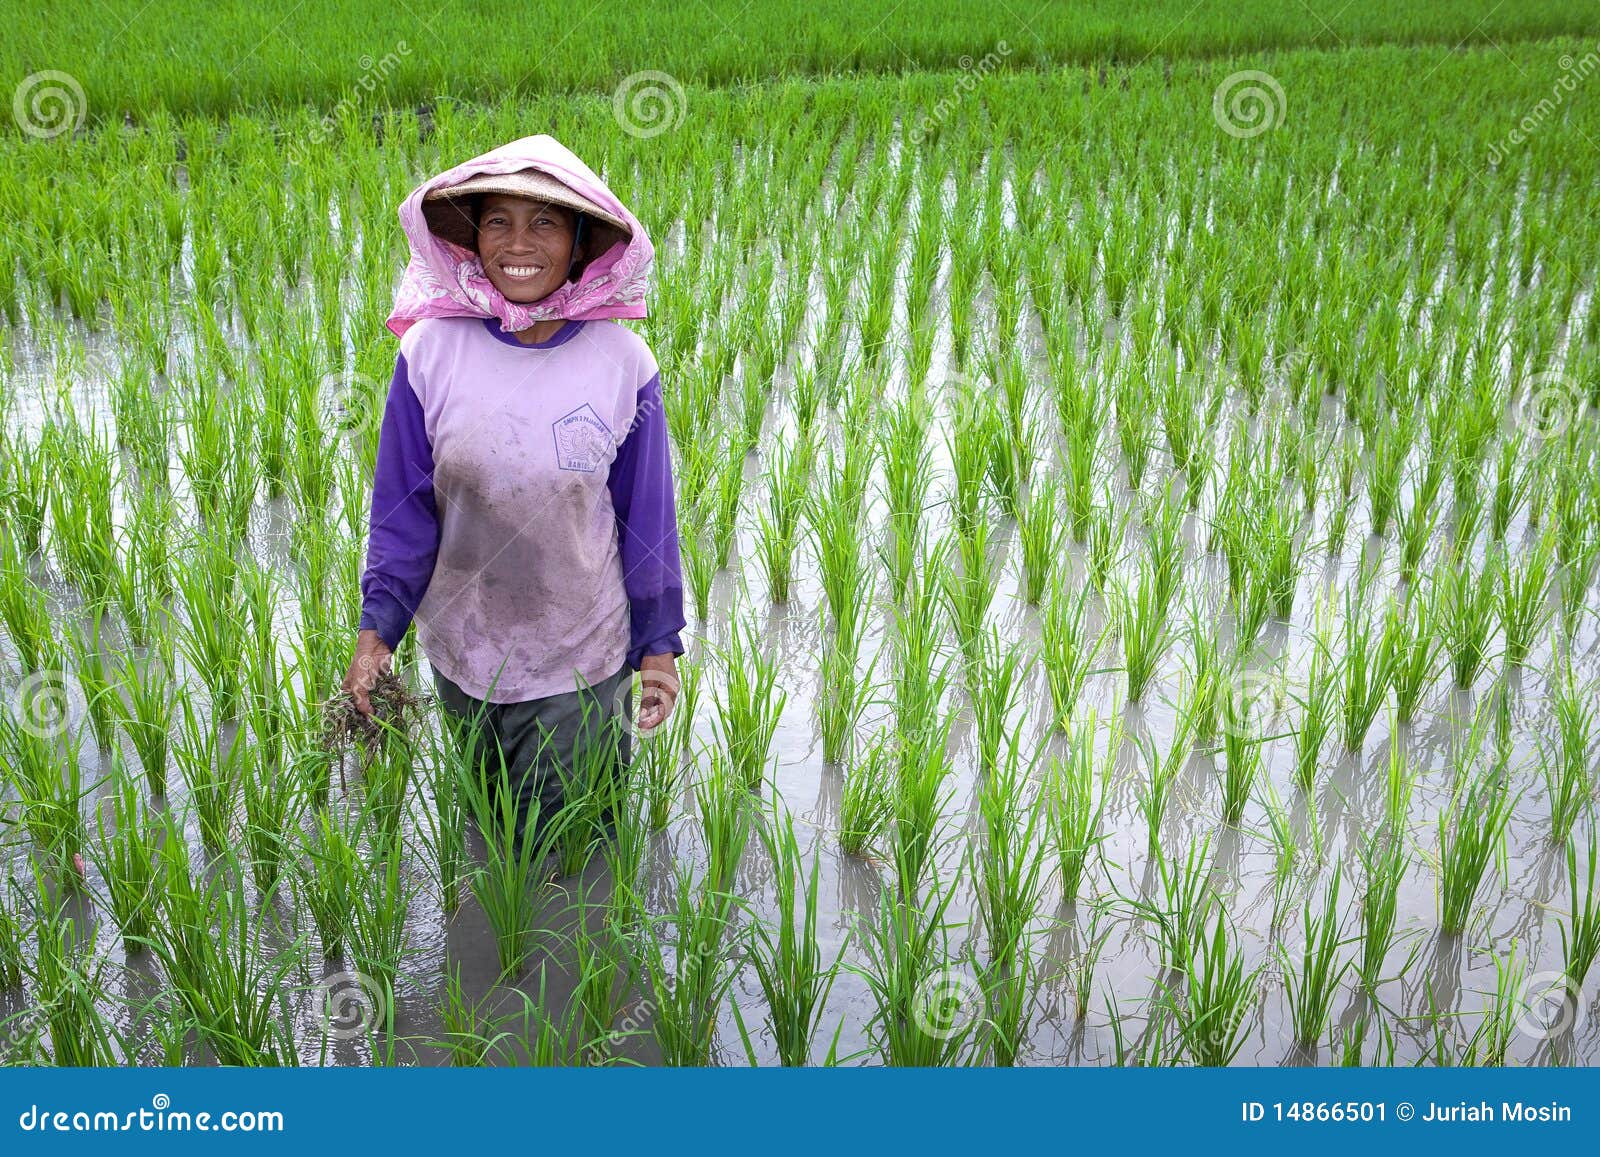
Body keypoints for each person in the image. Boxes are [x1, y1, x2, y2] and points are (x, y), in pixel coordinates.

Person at [342, 133, 685, 849]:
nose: (519, 243)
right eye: (499, 221)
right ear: (474, 237)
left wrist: (658, 648)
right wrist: (378, 631)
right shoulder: (429, 353)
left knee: (572, 854)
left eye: (545, 223)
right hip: (464, 656)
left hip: (579, 658)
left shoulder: (622, 363)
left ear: (580, 242)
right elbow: (403, 513)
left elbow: (646, 520)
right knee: (491, 834)